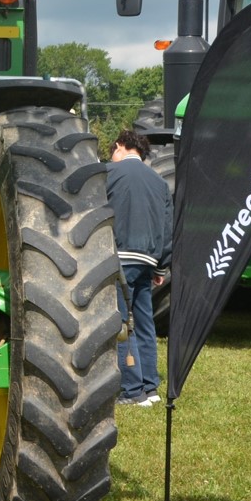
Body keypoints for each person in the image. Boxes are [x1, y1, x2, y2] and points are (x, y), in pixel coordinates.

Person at [106, 129, 171, 407]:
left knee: (122, 323)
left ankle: (131, 391)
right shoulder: (159, 182)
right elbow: (167, 228)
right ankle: (150, 386)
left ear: (120, 146)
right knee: (144, 322)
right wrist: (161, 267)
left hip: (120, 254)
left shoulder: (109, 172)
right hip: (148, 258)